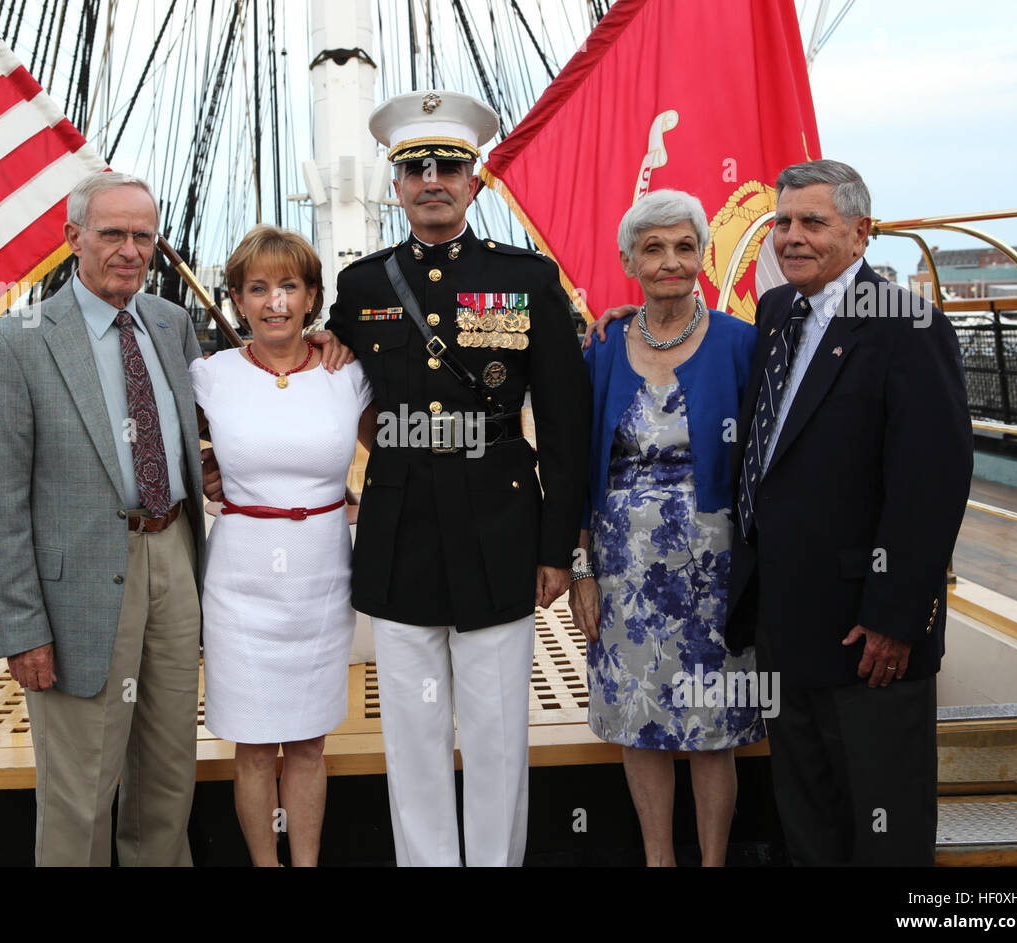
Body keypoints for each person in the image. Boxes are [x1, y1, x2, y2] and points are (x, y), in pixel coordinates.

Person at [0, 171, 346, 866]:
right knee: (81, 785)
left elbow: (245, 405)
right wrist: (21, 628)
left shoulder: (171, 326)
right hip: (79, 583)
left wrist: (324, 347)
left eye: (143, 236)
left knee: (167, 772)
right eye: (111, 233)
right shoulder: (18, 343)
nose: (128, 250)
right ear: (72, 238)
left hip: (174, 555)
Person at [325, 90, 591, 866]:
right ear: (397, 184)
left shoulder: (529, 280)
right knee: (410, 733)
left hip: (501, 526)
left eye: (448, 165)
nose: (431, 179)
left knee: (498, 731)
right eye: (415, 168)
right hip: (400, 528)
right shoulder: (363, 288)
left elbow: (567, 429)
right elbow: (320, 379)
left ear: (475, 181)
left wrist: (557, 551)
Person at [723, 160, 972, 865]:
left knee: (884, 825)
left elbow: (934, 481)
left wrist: (896, 618)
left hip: (869, 637)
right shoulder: (775, 314)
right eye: (782, 222)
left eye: (813, 222)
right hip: (784, 621)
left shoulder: (908, 325)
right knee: (806, 819)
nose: (791, 237)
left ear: (861, 233)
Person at [569, 190, 766, 867]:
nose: (670, 262)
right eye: (653, 249)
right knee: (639, 719)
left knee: (713, 730)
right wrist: (582, 572)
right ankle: (659, 860)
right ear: (630, 259)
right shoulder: (599, 348)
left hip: (716, 576)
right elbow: (576, 471)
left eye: (685, 247)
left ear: (702, 255)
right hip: (624, 573)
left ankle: (711, 862)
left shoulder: (743, 343)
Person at [189, 225, 374, 866]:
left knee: (309, 743)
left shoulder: (347, 375)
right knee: (252, 745)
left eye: (289, 286)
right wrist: (205, 469)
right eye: (258, 288)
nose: (275, 302)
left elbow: (404, 451)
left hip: (321, 577)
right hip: (241, 583)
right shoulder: (208, 377)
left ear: (312, 296)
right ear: (237, 299)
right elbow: (161, 452)